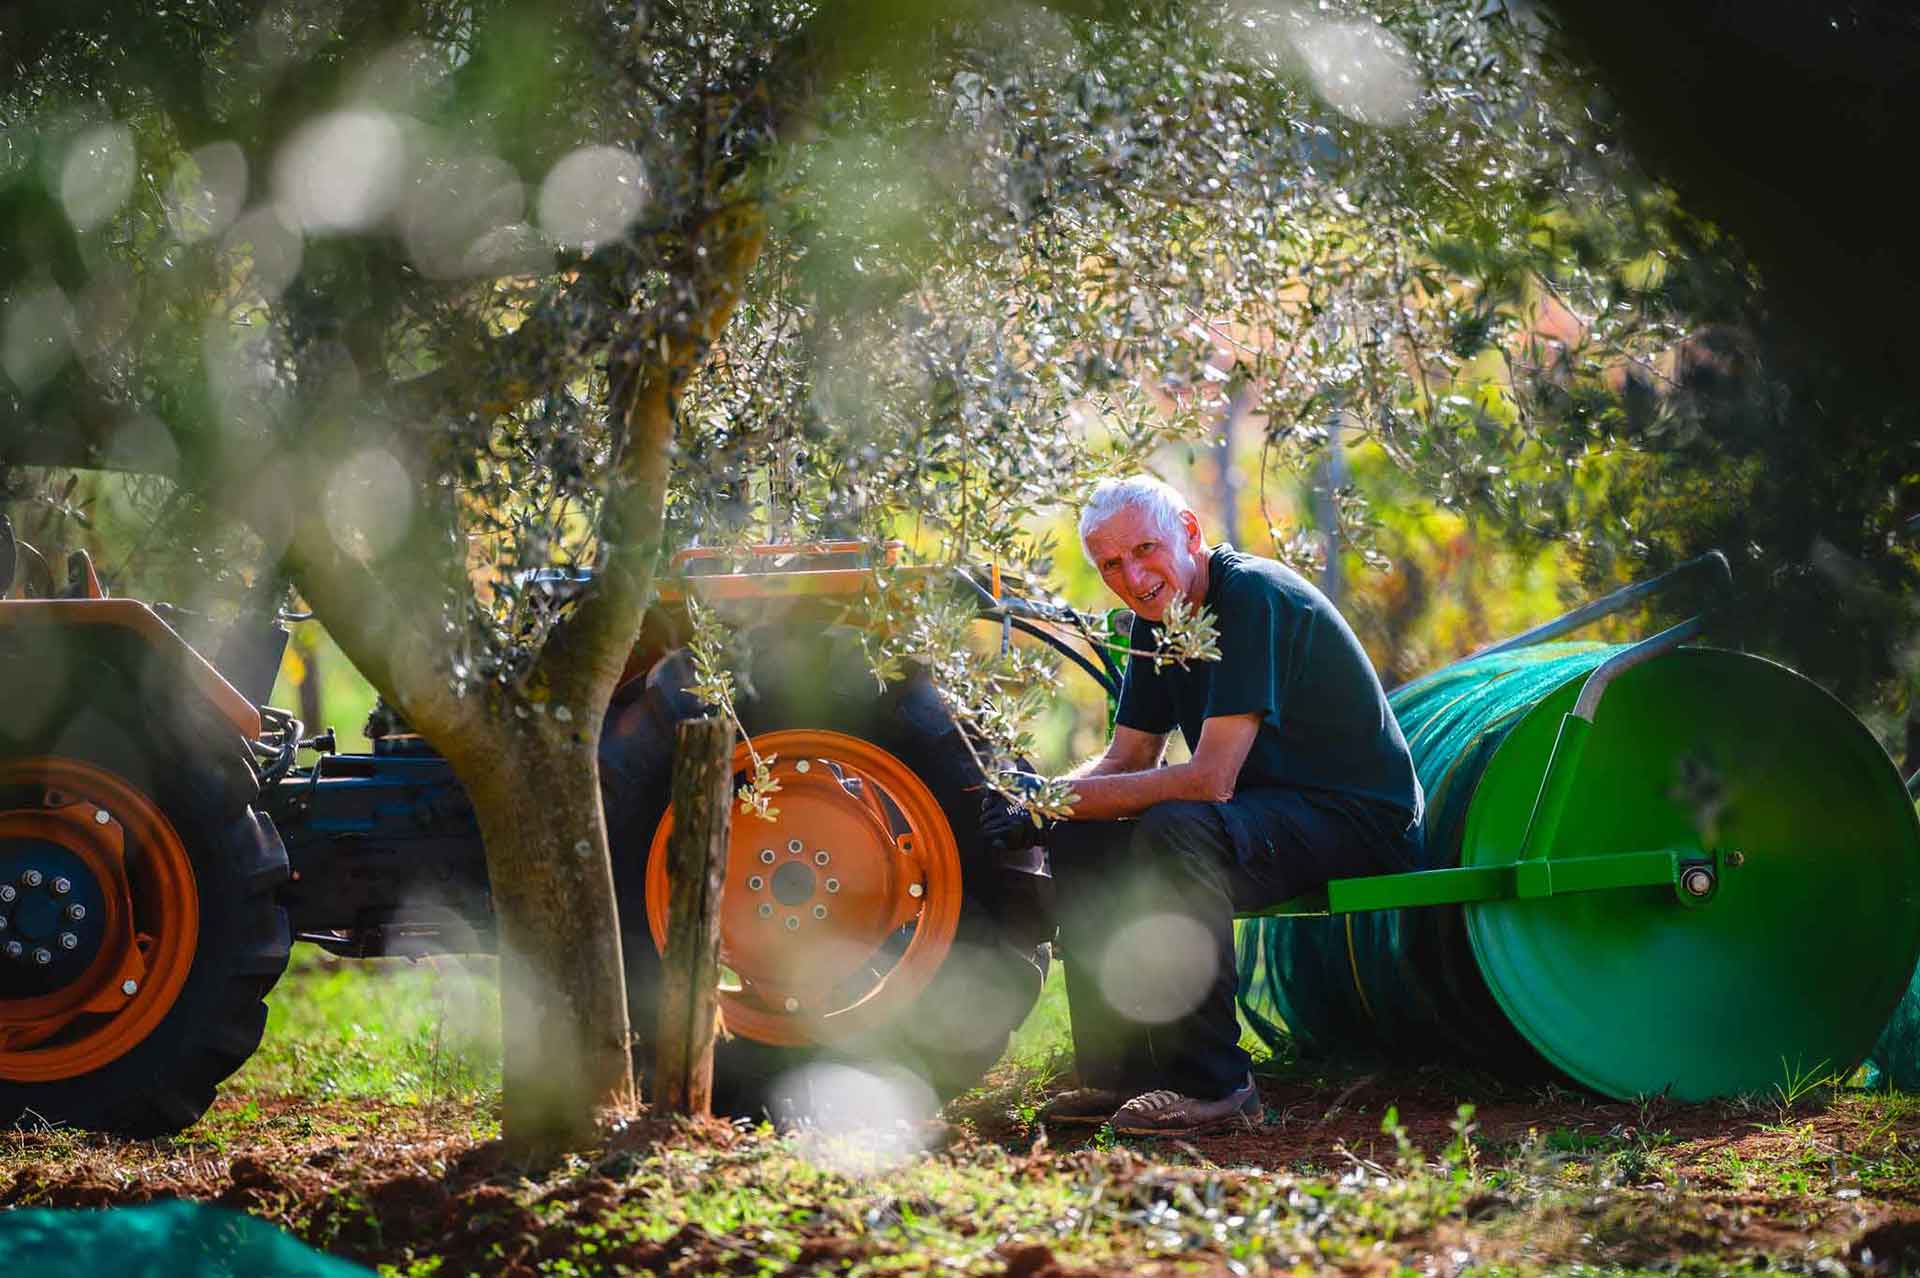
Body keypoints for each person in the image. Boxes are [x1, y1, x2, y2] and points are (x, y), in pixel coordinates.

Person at [983, 475, 1423, 1136]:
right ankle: (1120, 1076)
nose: (1132, 575)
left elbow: (1210, 780)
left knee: (1175, 828)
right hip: (1268, 816)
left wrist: (1048, 801)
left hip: (1359, 820)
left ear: (1189, 533)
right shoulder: (1158, 623)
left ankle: (1217, 1085)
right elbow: (1126, 760)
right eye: (1111, 564)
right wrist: (1043, 807)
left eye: (1145, 549)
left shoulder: (1249, 597)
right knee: (1084, 835)